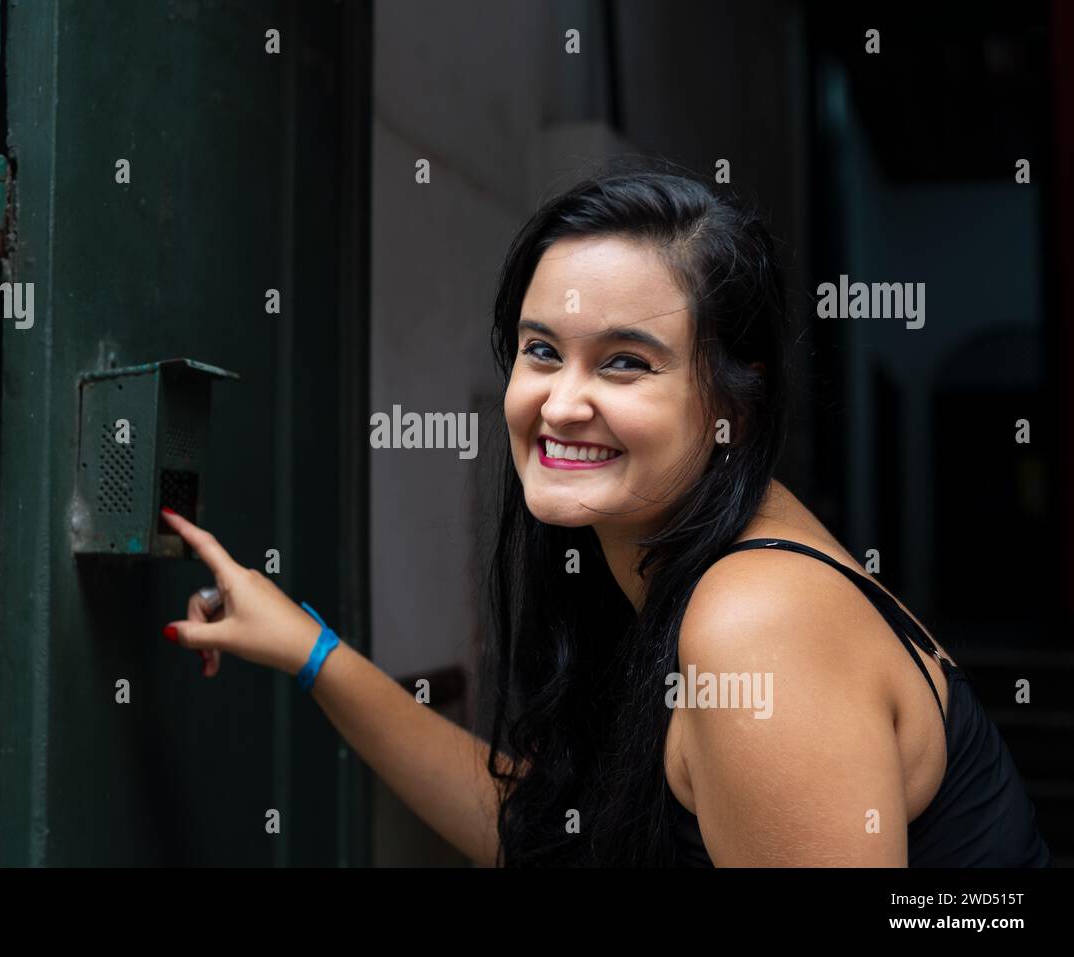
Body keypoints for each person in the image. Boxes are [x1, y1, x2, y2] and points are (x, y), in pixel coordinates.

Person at [161, 162, 1052, 867]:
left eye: (626, 362)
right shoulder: (664, 562)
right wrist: (311, 651)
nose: (560, 403)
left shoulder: (756, 623)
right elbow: (544, 837)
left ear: (731, 404)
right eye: (542, 350)